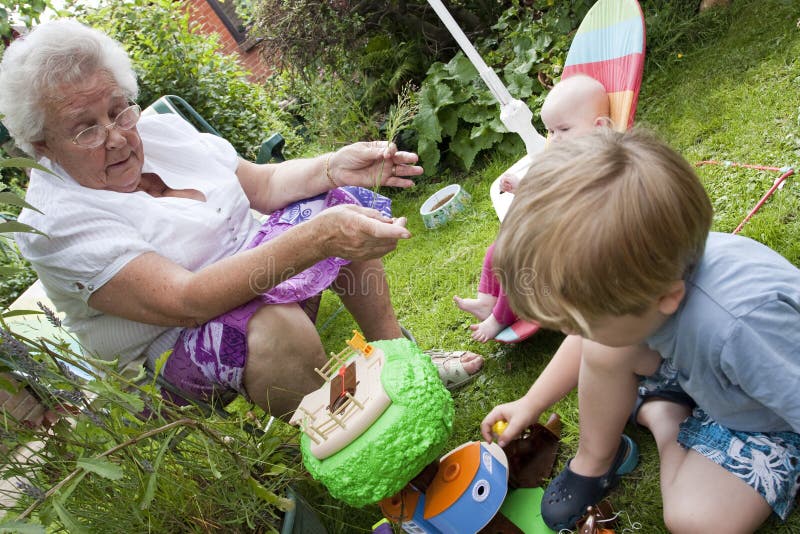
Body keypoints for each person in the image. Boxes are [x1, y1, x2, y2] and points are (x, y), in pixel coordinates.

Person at [0, 19, 483, 419]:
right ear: (41, 146)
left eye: (116, 110)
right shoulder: (54, 221)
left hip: (259, 280)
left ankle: (399, 360)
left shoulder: (160, 130)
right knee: (273, 326)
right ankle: (353, 428)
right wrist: (316, 240)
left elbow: (265, 186)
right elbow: (186, 302)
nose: (117, 137)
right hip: (174, 354)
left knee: (335, 205)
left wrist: (332, 166)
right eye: (85, 129)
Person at [481, 129, 800, 532]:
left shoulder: (744, 329)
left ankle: (666, 419)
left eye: (578, 322)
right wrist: (531, 403)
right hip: (709, 375)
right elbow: (592, 342)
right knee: (603, 348)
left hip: (771, 418)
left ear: (665, 296)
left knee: (696, 520)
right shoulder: (649, 275)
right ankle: (597, 460)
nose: (571, 334)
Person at [454, 74, 610, 342]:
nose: (555, 139)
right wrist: (522, 184)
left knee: (518, 260)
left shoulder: (596, 160)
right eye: (550, 131)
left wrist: (527, 189)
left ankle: (500, 316)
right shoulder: (568, 153)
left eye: (564, 130)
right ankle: (486, 300)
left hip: (575, 243)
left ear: (599, 126)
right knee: (497, 250)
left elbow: (564, 195)